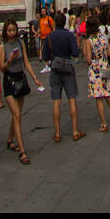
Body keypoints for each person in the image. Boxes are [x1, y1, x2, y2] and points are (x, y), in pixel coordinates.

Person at [0, 19, 42, 164]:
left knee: (16, 114)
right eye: (9, 30)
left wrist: (34, 78)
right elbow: (2, 68)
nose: (12, 32)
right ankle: (22, 151)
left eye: (14, 30)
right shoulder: (2, 46)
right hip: (9, 81)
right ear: (5, 31)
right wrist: (9, 60)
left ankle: (10, 140)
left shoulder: (20, 43)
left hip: (21, 79)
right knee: (17, 115)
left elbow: (27, 63)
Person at [41, 11, 85, 142]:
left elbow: (45, 56)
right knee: (71, 99)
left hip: (55, 69)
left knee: (56, 101)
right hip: (68, 68)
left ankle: (58, 133)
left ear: (54, 23)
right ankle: (75, 131)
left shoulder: (49, 36)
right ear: (64, 22)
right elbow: (76, 52)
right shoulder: (69, 35)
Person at [84, 8, 110, 127]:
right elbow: (109, 54)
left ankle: (103, 124)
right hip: (105, 66)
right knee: (107, 94)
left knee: (99, 98)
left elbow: (88, 59)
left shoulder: (89, 41)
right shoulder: (103, 37)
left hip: (95, 69)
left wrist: (91, 58)